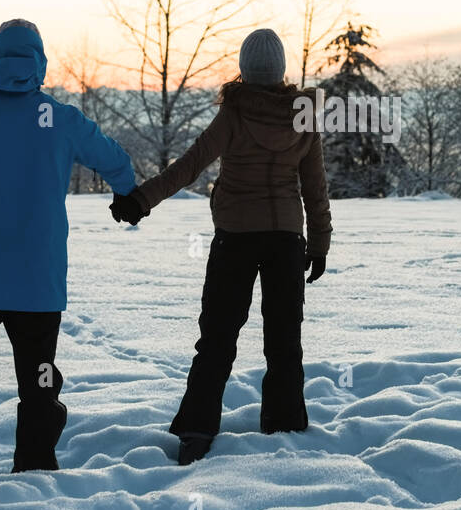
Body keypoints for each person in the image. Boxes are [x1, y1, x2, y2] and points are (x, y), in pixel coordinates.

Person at [0, 19, 139, 496]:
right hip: (37, 287)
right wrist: (125, 196)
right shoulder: (59, 118)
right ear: (38, 62)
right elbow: (116, 161)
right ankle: (35, 471)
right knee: (38, 381)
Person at [111, 28, 332, 465]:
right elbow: (316, 188)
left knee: (217, 338)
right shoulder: (303, 117)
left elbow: (190, 165)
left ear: (245, 69)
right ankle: (285, 427)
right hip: (287, 239)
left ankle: (196, 429)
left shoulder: (234, 114)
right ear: (281, 69)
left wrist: (141, 200)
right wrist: (320, 243)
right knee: (284, 338)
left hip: (235, 238)